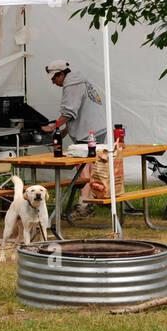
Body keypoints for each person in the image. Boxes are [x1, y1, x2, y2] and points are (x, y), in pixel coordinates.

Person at [40, 60, 109, 221]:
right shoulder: (80, 79)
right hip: (97, 128)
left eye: (54, 78)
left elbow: (69, 111)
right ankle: (89, 200)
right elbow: (80, 109)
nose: (53, 82)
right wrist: (65, 131)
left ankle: (84, 206)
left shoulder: (71, 84)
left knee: (83, 166)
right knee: (92, 167)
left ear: (62, 74)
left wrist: (53, 127)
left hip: (88, 132)